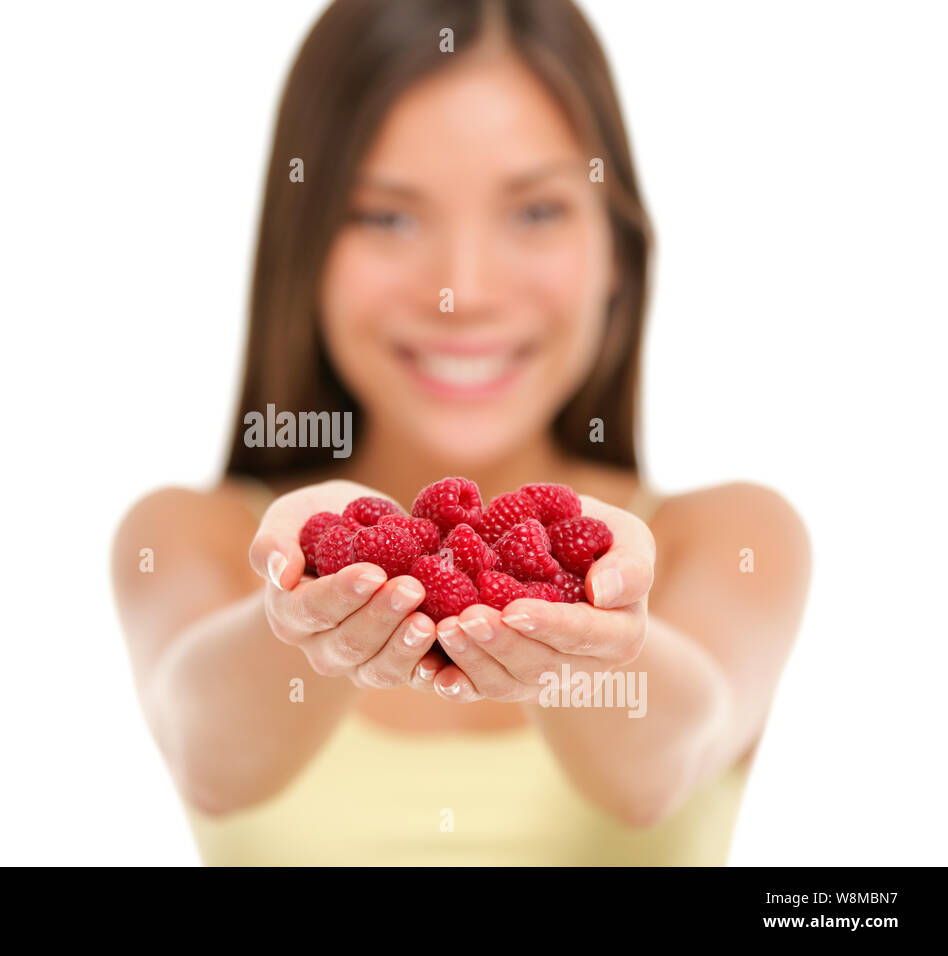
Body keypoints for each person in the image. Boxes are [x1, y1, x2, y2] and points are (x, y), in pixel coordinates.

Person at [111, 0, 810, 865]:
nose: (464, 288)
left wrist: (588, 621)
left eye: (536, 211)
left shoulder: (731, 534)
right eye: (387, 216)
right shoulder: (192, 535)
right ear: (305, 243)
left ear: (619, 250)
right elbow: (207, 753)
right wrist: (300, 604)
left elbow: (660, 770)